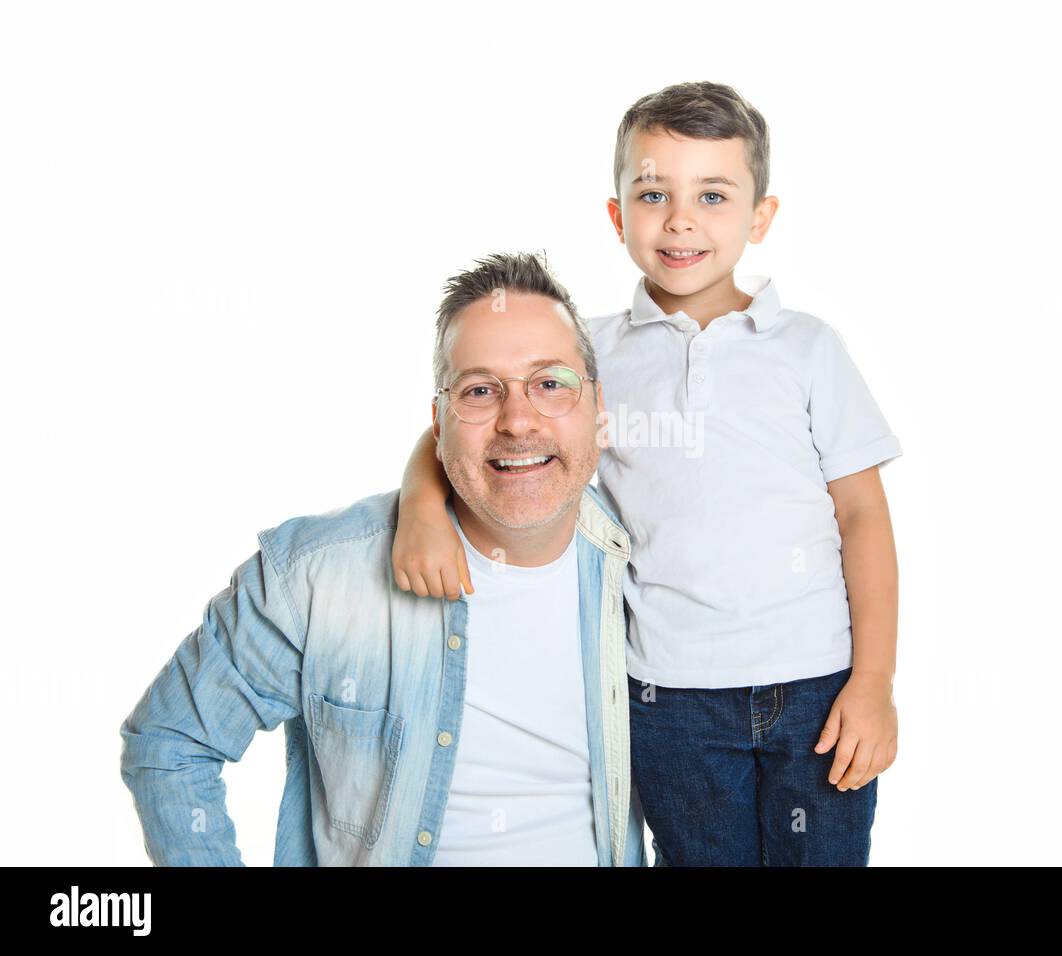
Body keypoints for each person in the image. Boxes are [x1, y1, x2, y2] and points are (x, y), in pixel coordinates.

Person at [392, 81, 903, 866]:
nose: (682, 219)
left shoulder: (807, 348)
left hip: (818, 687)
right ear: (617, 214)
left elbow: (863, 515)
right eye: (654, 193)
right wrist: (423, 509)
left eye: (713, 195)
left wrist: (872, 682)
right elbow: (484, 415)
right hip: (669, 696)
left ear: (760, 217)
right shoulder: (595, 351)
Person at [119, 251, 647, 866]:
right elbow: (170, 740)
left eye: (550, 383)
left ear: (597, 405)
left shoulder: (651, 557)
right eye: (480, 390)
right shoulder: (318, 577)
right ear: (438, 422)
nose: (518, 419)